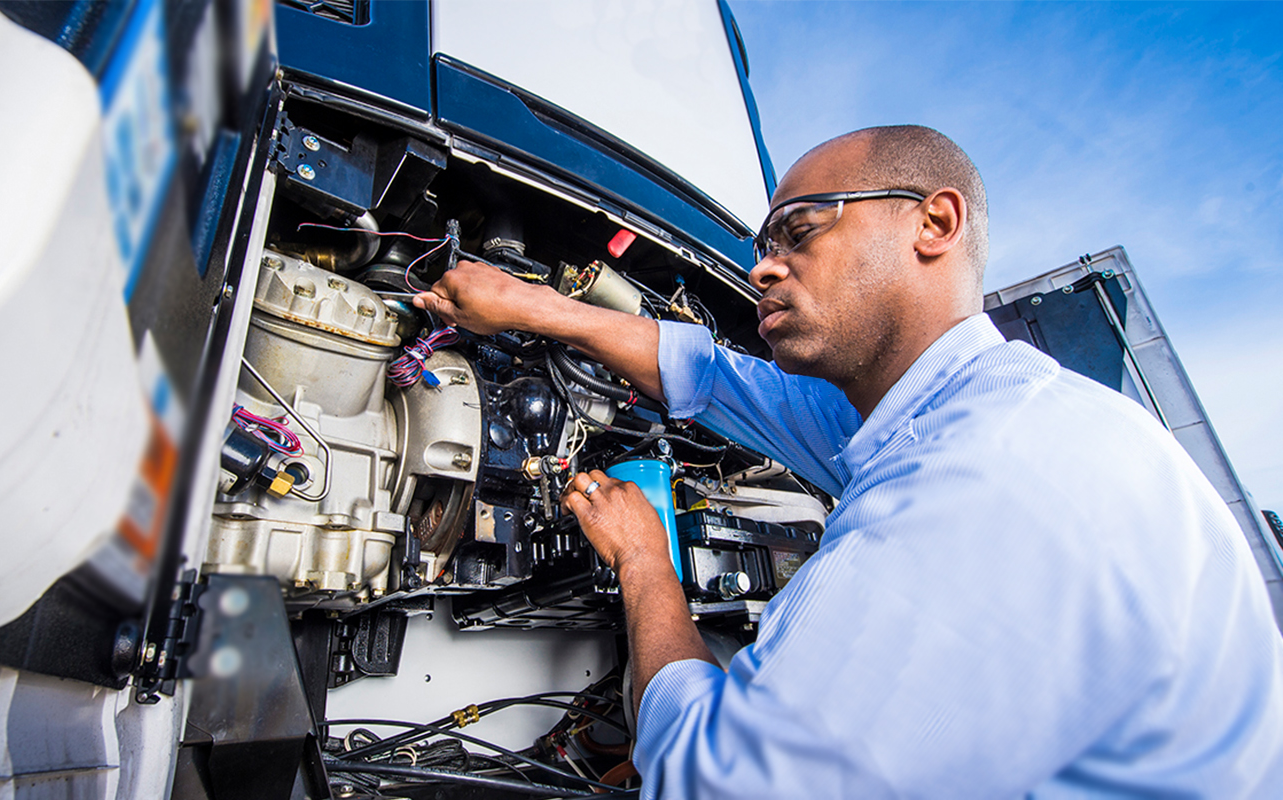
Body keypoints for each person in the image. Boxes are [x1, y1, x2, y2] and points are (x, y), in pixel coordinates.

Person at [414, 125, 1283, 797]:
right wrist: (528, 305)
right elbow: (714, 380)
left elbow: (711, 782)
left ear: (934, 223)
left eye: (799, 229)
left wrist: (646, 563)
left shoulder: (993, 470)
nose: (762, 266)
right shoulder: (948, 405)